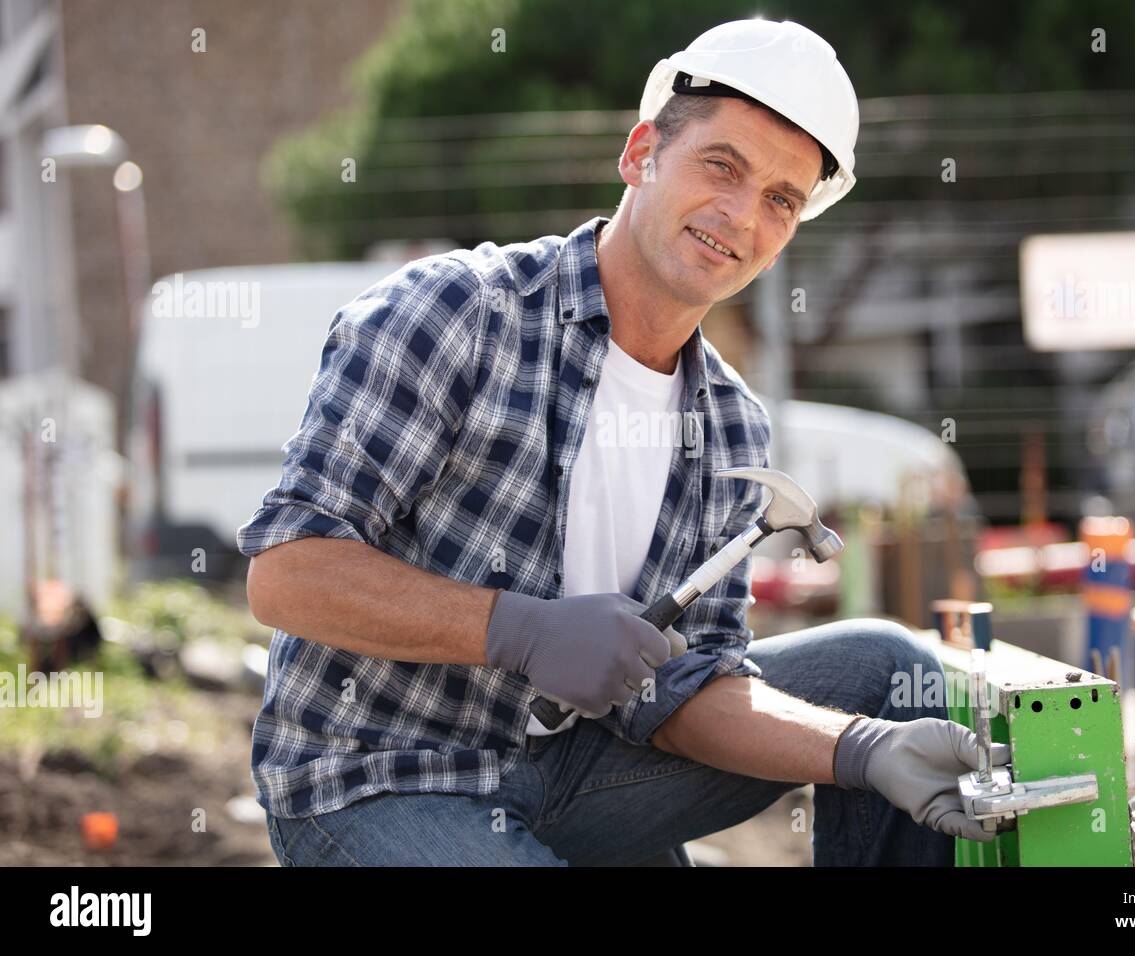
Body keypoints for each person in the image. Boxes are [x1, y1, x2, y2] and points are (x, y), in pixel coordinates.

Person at [239, 18, 1007, 867]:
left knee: (888, 676)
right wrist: (519, 630)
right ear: (641, 152)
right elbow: (288, 571)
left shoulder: (728, 427)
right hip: (380, 778)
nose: (740, 216)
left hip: (581, 779)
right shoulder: (457, 314)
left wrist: (861, 750)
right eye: (723, 165)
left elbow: (689, 694)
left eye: (781, 199)